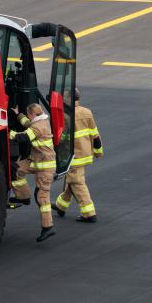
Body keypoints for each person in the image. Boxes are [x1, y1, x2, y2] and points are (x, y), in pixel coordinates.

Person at [52, 88, 104, 222]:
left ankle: (89, 214)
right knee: (71, 180)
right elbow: (95, 134)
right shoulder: (87, 112)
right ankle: (60, 206)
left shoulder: (66, 114)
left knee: (77, 182)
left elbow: (62, 137)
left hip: (72, 156)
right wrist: (98, 151)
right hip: (86, 153)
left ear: (69, 98)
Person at [8, 103, 57, 242]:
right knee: (16, 169)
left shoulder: (39, 127)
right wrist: (19, 114)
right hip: (36, 162)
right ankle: (23, 197)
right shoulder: (40, 121)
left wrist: (7, 132)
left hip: (45, 167)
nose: (28, 117)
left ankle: (48, 227)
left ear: (34, 114)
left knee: (42, 197)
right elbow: (28, 124)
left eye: (28, 114)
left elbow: (23, 137)